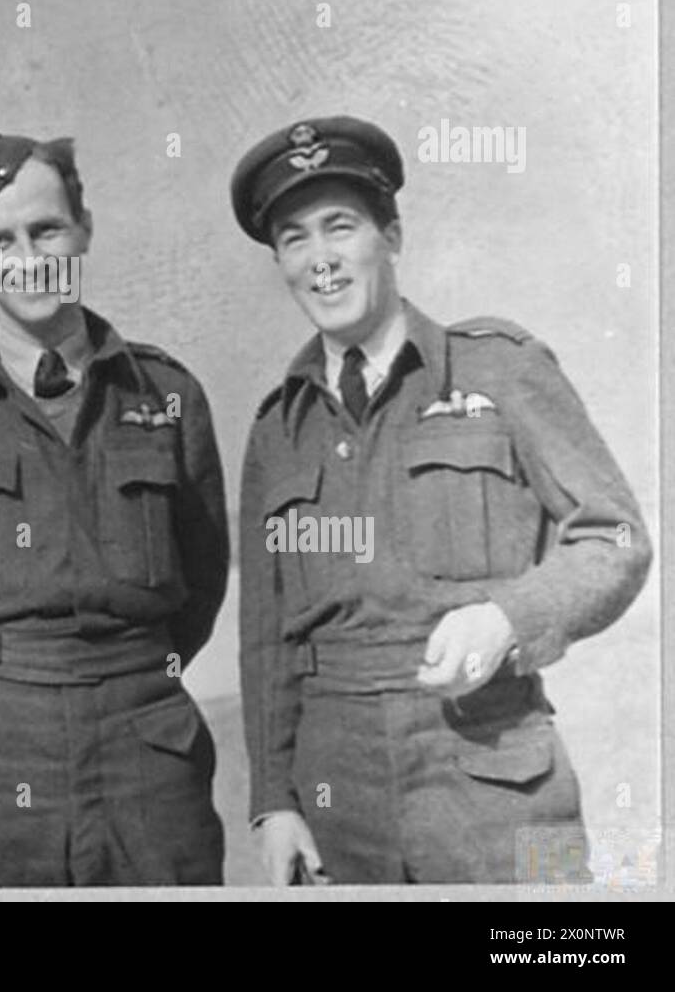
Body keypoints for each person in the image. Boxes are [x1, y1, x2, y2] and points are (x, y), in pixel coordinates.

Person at [230, 115, 651, 885]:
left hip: (501, 776)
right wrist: (272, 801)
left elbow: (615, 538)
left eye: (340, 227)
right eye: (294, 238)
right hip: (338, 800)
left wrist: (507, 619)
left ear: (391, 234)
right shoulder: (276, 432)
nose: (320, 259)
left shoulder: (502, 369)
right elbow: (266, 640)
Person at [0, 133, 229, 886]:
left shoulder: (167, 395)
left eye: (47, 230)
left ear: (85, 228)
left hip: (147, 746)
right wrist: (8, 684)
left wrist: (121, 673)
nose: (28, 256)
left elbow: (201, 580)